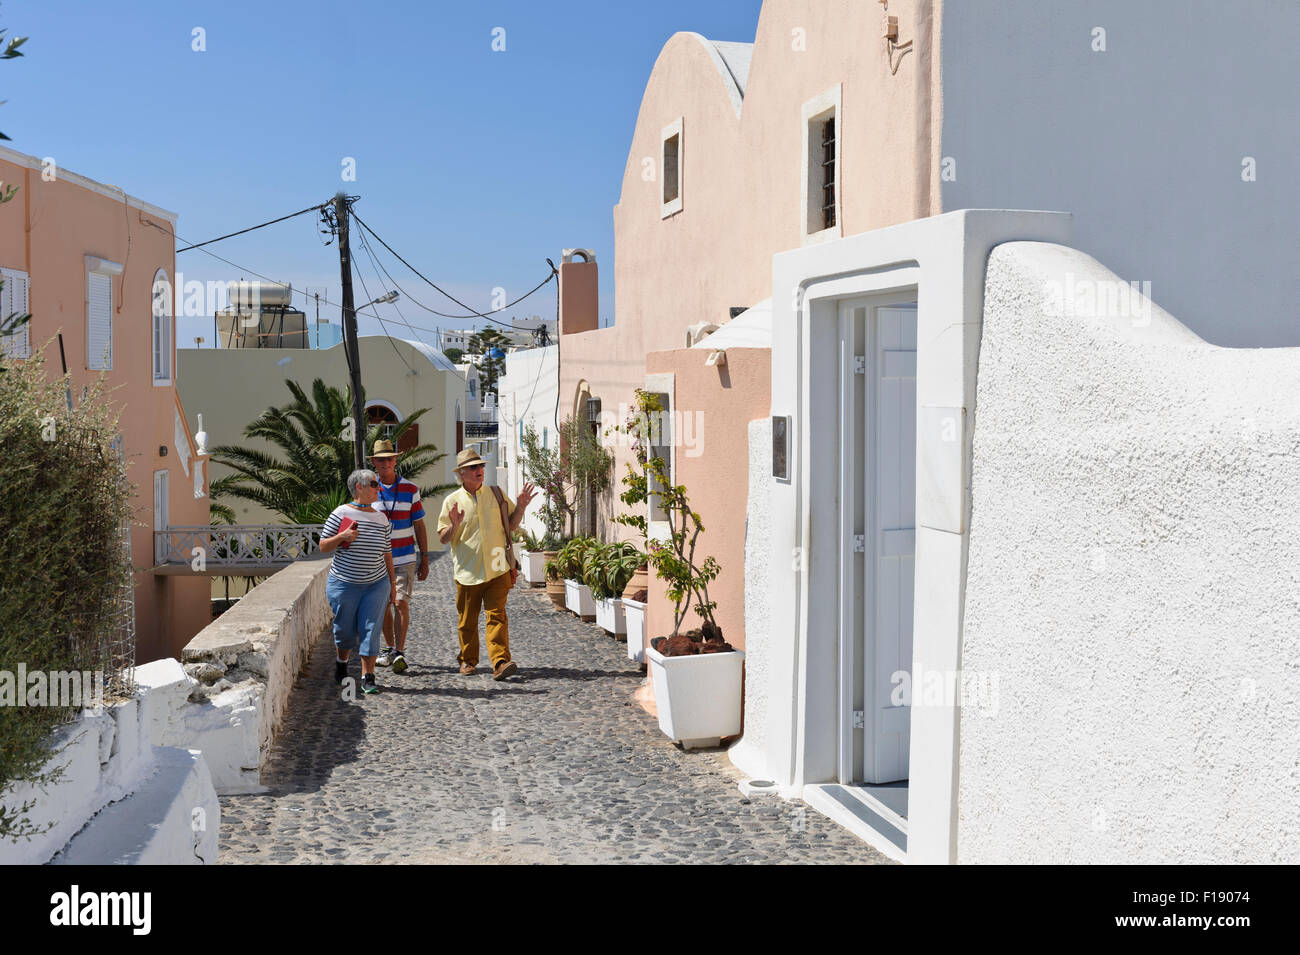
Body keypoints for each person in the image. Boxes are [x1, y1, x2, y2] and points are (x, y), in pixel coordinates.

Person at [437, 447, 537, 680]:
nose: (479, 470)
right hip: (468, 570)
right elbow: (443, 537)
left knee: (497, 616)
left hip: (498, 567)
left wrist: (521, 506)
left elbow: (510, 525)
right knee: (467, 621)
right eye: (473, 468)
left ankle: (500, 662)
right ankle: (468, 660)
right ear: (461, 473)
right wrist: (453, 524)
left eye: (481, 466)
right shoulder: (451, 501)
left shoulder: (496, 493)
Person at [320, 469, 396, 695]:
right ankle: (342, 664)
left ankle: (367, 676)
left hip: (376, 583)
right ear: (359, 487)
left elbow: (387, 553)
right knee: (344, 630)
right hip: (344, 583)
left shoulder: (381, 518)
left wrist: (391, 583)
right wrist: (341, 537)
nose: (378, 488)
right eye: (374, 484)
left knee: (371, 629)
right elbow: (323, 545)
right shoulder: (340, 513)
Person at [369, 439, 429, 674]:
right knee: (383, 605)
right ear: (374, 462)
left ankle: (400, 652)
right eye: (380, 459)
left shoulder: (410, 490)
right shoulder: (370, 490)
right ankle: (390, 648)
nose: (385, 463)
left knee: (400, 602)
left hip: (404, 557)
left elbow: (420, 525)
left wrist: (424, 557)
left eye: (389, 459)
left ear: (395, 461)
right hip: (378, 559)